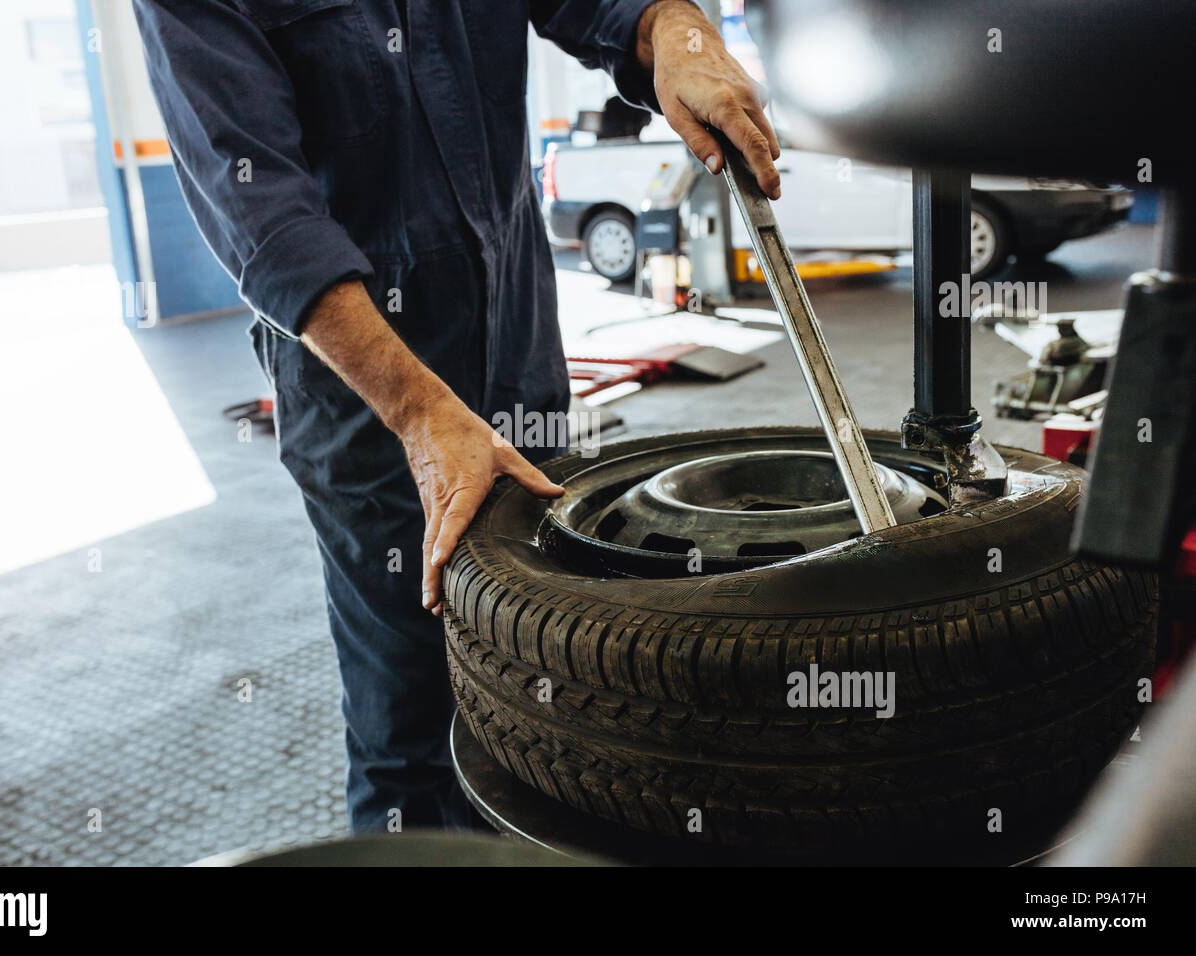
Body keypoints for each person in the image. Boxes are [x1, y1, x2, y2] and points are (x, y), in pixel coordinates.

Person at [132, 0, 781, 833]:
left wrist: (684, 40)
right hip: (373, 409)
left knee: (546, 682)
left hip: (519, 355)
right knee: (411, 720)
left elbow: (622, 11)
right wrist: (417, 411)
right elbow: (267, 221)